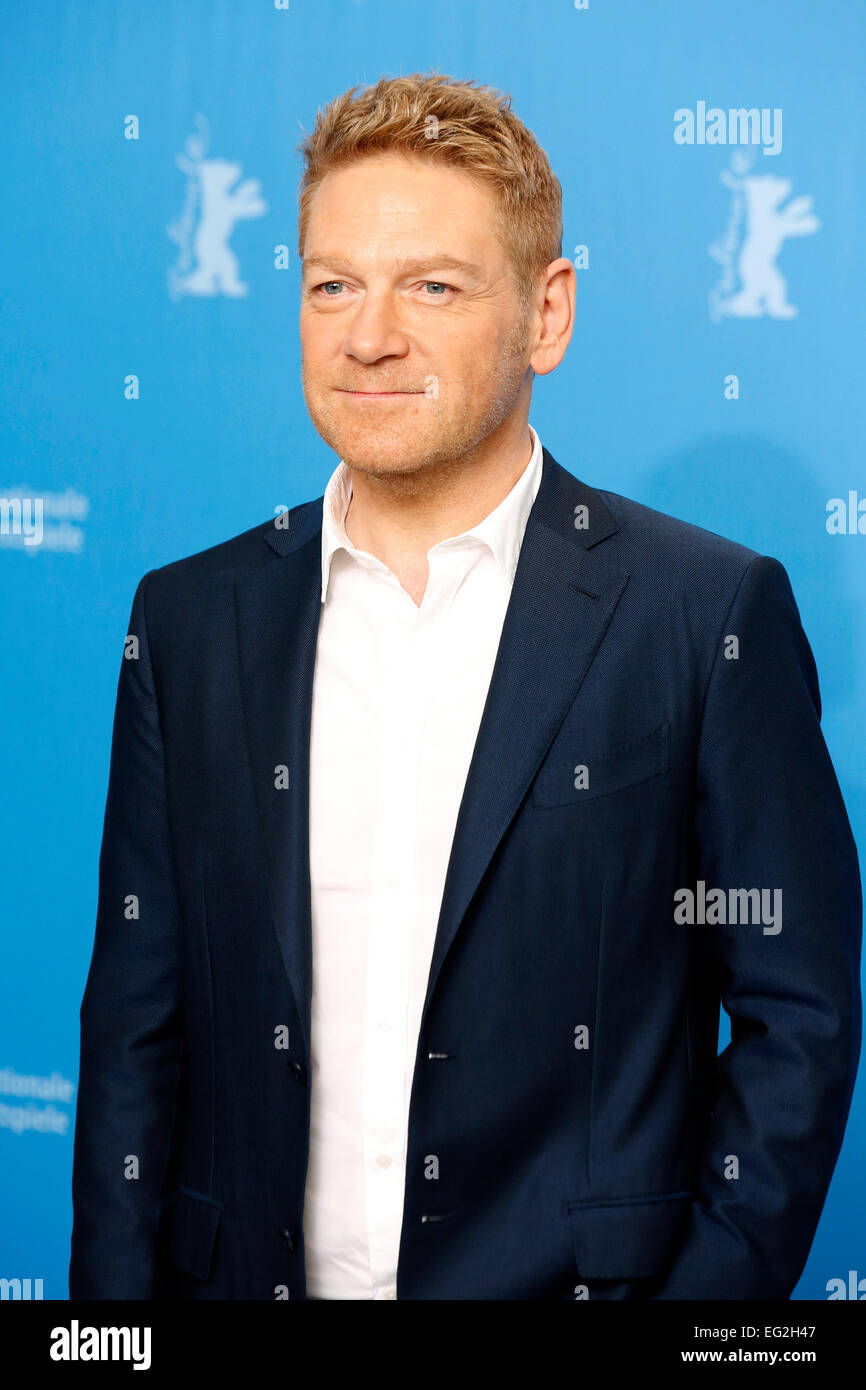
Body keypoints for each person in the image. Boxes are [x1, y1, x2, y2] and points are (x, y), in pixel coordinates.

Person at [69, 72, 861, 1301]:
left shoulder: (702, 615)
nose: (367, 334)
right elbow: (135, 1022)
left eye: (431, 286)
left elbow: (794, 1019)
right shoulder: (185, 619)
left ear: (546, 314)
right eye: (332, 283)